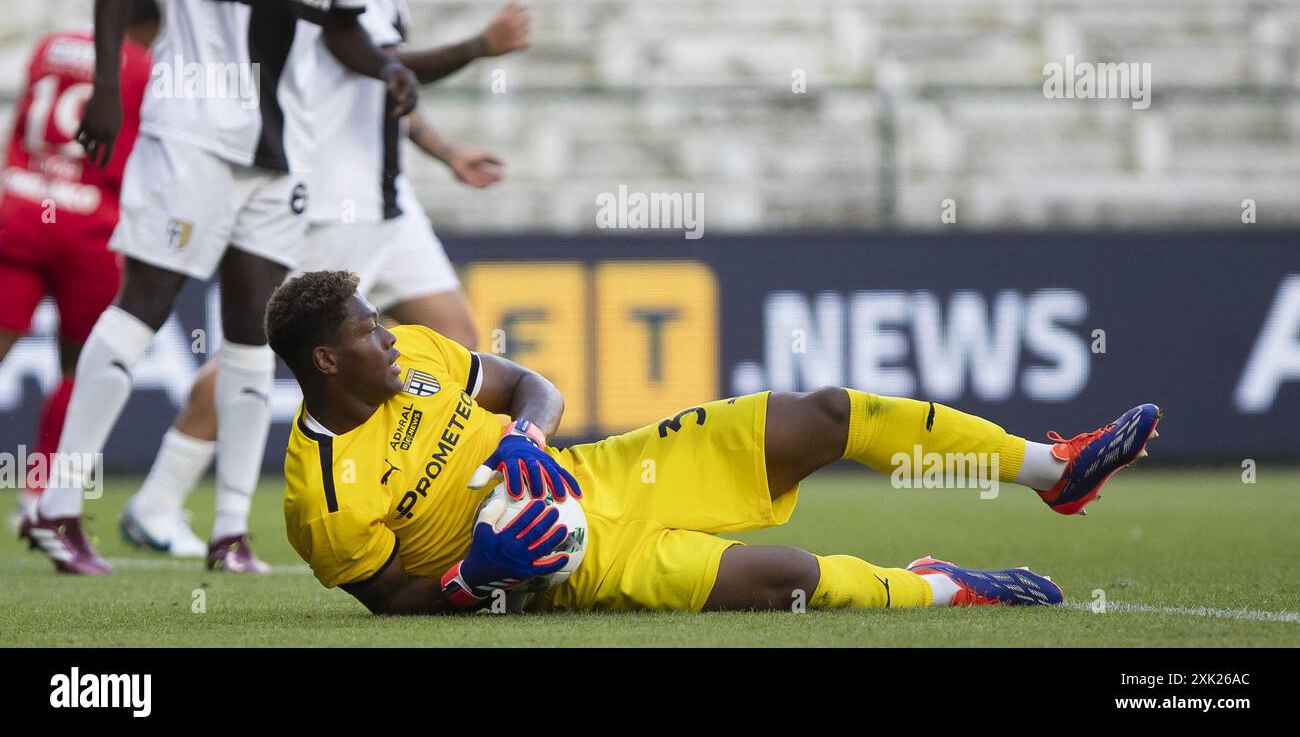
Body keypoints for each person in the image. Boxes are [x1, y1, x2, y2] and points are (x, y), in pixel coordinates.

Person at [25, 0, 419, 575]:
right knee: (145, 304)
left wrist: (384, 67)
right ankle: (58, 505)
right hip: (194, 135)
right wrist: (108, 87)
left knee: (253, 334)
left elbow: (340, 25)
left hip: (282, 154)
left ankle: (230, 532)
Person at [272, 270, 1162, 615]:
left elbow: (529, 387)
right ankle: (945, 588)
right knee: (789, 582)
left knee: (821, 413)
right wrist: (475, 577)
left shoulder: (418, 357)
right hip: (572, 562)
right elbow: (389, 604)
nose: (390, 335)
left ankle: (1058, 469)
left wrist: (528, 438)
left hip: (605, 471)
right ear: (325, 360)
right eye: (366, 331)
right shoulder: (319, 496)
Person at [117, 0, 527, 566]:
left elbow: (386, 87)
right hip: (335, 202)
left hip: (392, 208)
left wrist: (446, 152)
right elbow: (387, 60)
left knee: (463, 350)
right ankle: (157, 499)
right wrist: (477, 47)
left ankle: (474, 493)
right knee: (267, 350)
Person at [0, 0, 159, 527]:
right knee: (81, 362)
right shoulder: (140, 64)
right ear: (148, 26)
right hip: (90, 224)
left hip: (19, 206)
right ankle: (40, 490)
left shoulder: (49, 45)